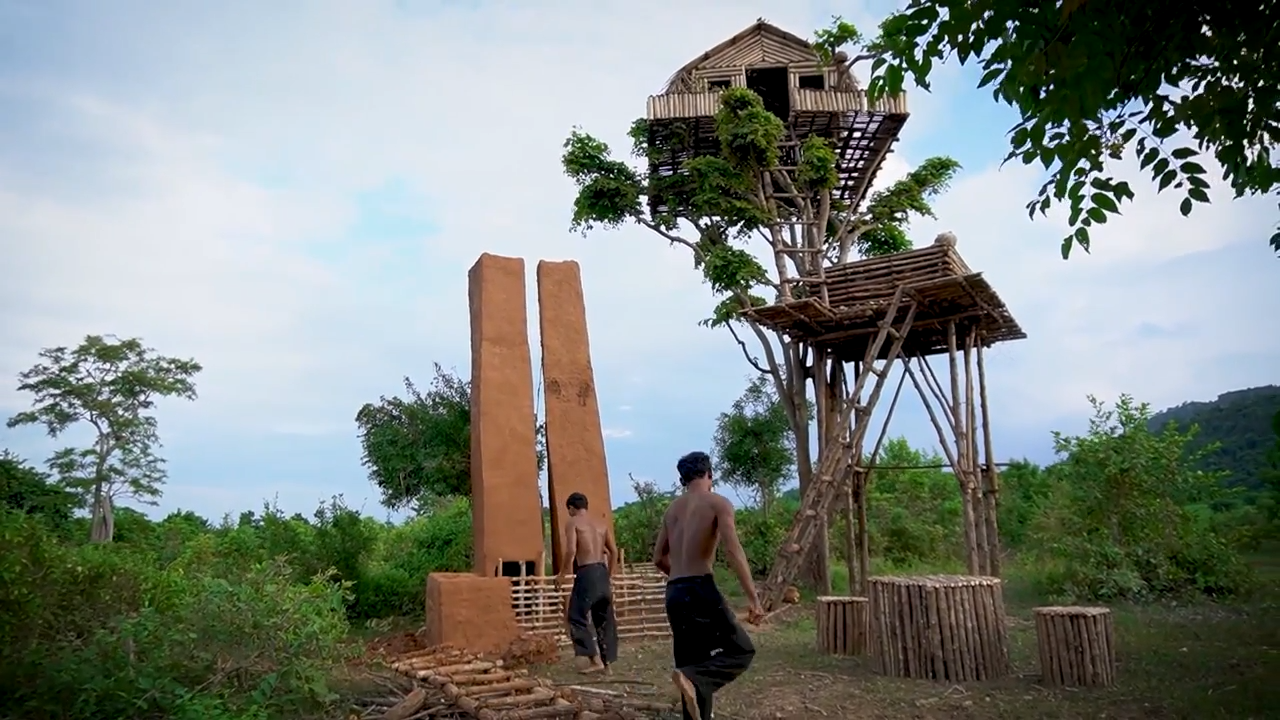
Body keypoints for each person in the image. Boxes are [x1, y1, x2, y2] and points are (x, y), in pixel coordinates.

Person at [653, 451, 762, 720]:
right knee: (741, 651)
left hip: (675, 592)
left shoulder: (672, 509)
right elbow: (734, 551)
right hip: (701, 587)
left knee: (691, 662)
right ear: (709, 474)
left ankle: (691, 683)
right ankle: (691, 676)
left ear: (683, 479)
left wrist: (679, 578)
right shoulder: (718, 503)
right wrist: (754, 599)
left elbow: (658, 558)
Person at [557, 491, 619, 674]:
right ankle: (608, 665)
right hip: (602, 571)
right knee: (604, 619)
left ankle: (594, 659)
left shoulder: (573, 523)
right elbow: (613, 552)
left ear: (571, 508)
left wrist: (563, 573)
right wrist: (609, 575)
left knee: (576, 616)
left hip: (587, 572)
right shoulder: (601, 524)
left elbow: (571, 551)